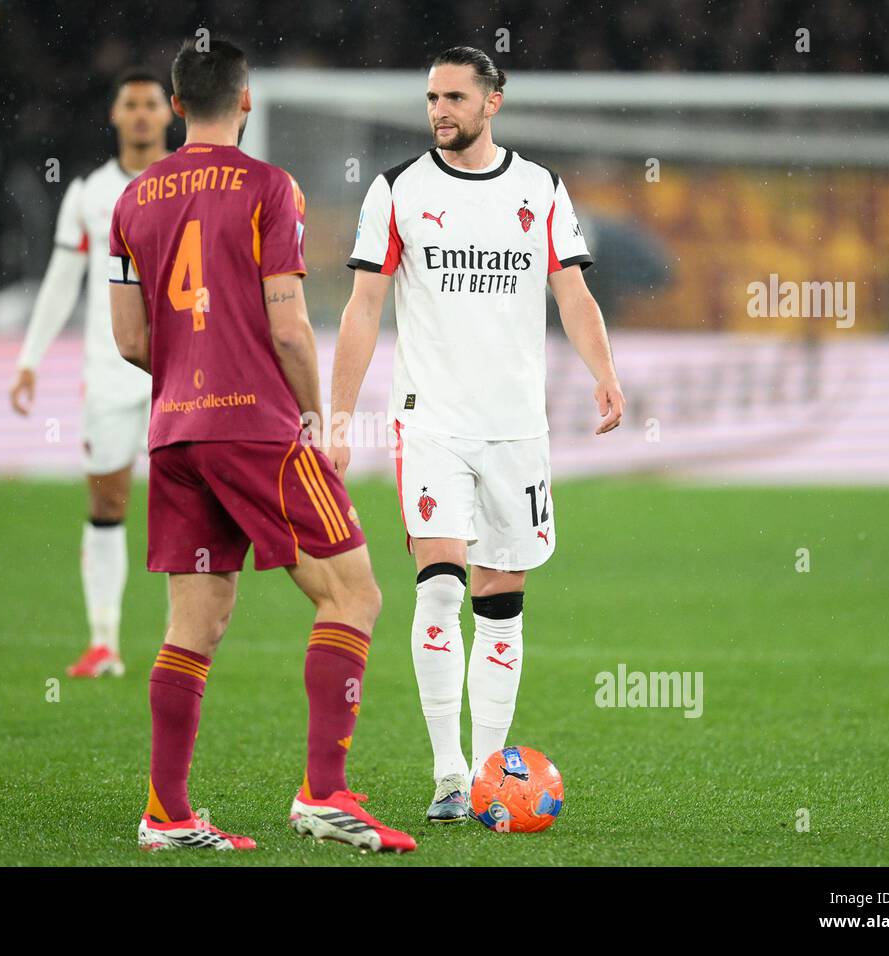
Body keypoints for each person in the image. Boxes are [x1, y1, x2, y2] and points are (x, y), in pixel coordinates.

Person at [109, 38, 415, 853]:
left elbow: (129, 338)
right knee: (353, 595)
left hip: (177, 433)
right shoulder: (269, 188)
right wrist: (317, 421)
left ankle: (166, 812)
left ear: (175, 105)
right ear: (246, 101)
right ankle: (324, 793)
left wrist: (188, 375)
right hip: (257, 428)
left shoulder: (133, 200)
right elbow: (287, 324)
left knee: (194, 625)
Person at [328, 47, 626, 822]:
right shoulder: (397, 189)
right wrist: (336, 412)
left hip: (516, 429)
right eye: (432, 97)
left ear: (494, 102)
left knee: (501, 597)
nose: (440, 111)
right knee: (440, 586)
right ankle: (450, 777)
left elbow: (574, 290)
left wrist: (605, 370)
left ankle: (497, 770)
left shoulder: (539, 189)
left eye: (455, 97)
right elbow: (363, 307)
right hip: (431, 422)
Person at [9, 69, 172, 678]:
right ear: (114, 113)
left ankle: (182, 644)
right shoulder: (87, 192)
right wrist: (29, 358)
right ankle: (104, 641)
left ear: (169, 113)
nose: (139, 114)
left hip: (179, 373)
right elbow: (60, 281)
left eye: (150, 104)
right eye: (129, 104)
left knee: (185, 507)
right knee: (107, 504)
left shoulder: (189, 183)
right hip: (108, 373)